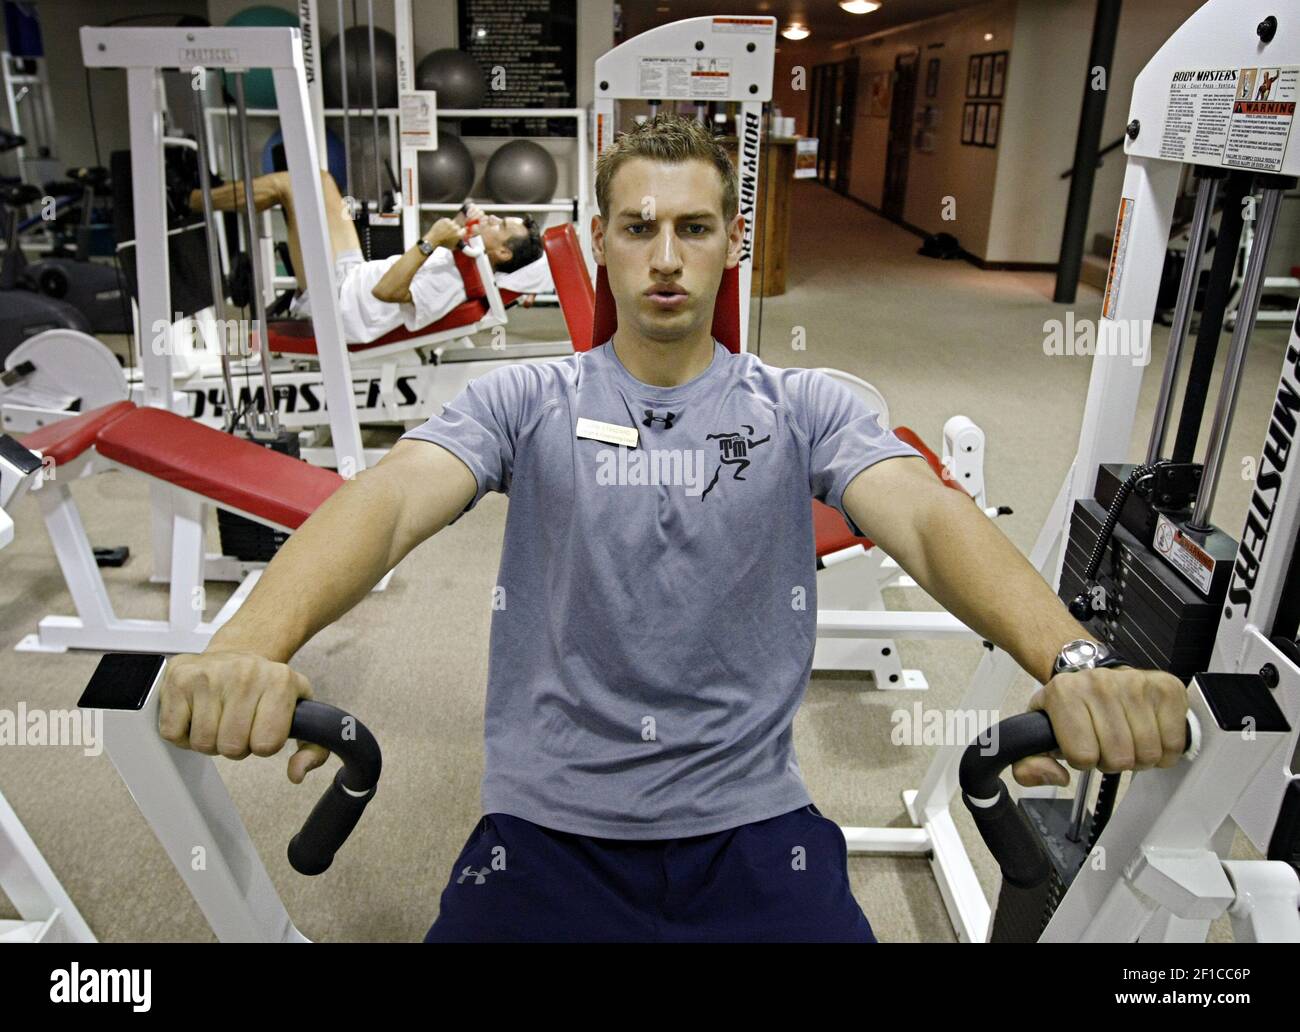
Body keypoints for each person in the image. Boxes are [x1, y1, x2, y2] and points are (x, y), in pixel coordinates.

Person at [160, 115, 1188, 943]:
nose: (665, 257)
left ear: (730, 243)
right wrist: (247, 647)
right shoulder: (525, 398)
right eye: (639, 227)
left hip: (753, 825)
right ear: (598, 240)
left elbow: (923, 518)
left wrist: (1075, 659)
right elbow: (385, 507)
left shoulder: (804, 407)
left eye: (693, 229)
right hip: (544, 827)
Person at [189, 170, 541, 343]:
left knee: (290, 186)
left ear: (503, 251)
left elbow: (386, 292)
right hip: (350, 277)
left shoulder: (453, 287)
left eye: (501, 224)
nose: (493, 218)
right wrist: (460, 228)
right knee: (320, 179)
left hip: (333, 303)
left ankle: (188, 202)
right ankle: (213, 197)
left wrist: (432, 238)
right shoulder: (471, 260)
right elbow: (441, 256)